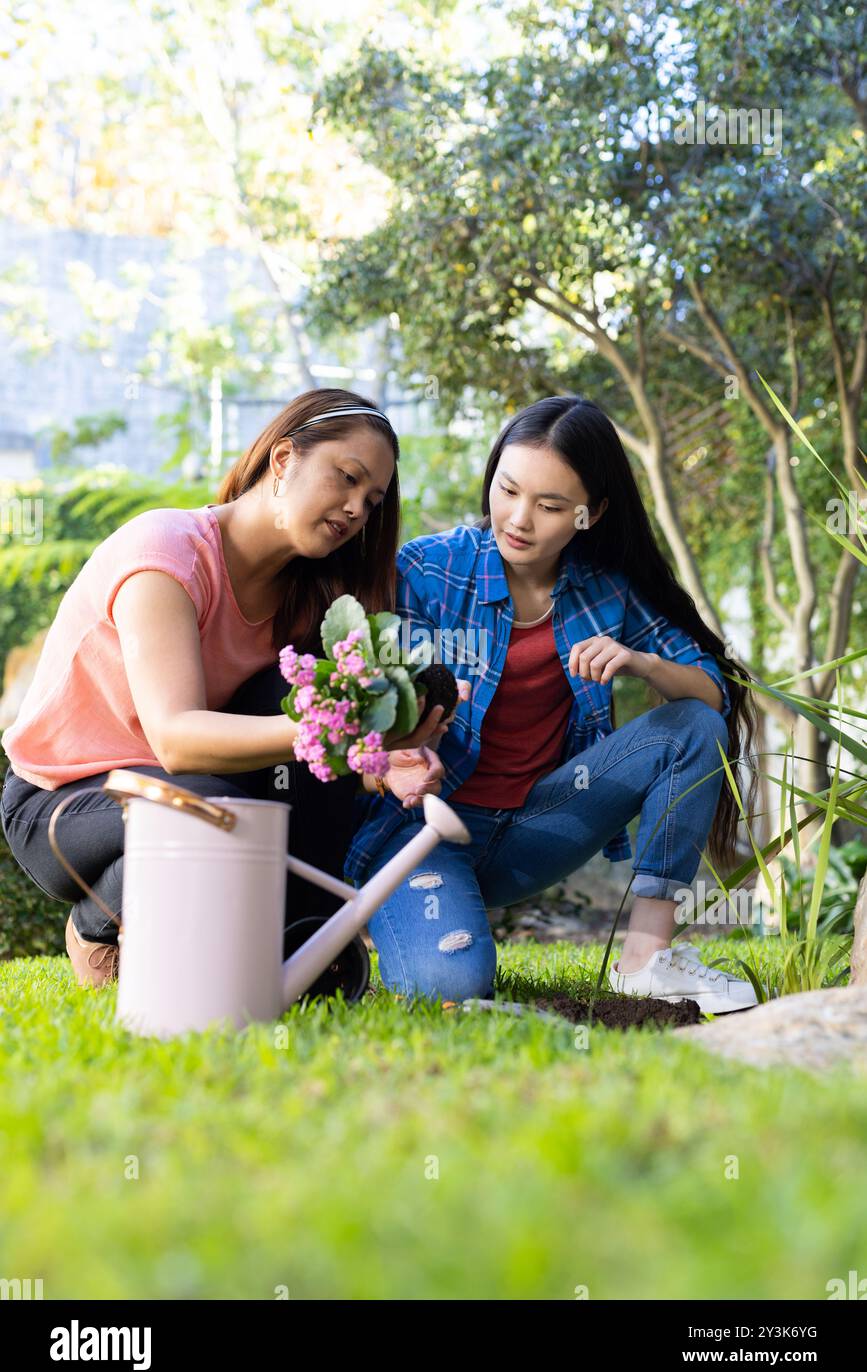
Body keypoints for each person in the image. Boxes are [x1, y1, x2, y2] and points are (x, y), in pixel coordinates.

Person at [0, 388, 455, 988]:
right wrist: (331, 732)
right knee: (222, 808)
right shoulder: (165, 552)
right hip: (68, 802)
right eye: (346, 478)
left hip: (201, 792)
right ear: (284, 458)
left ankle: (302, 932)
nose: (355, 510)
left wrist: (378, 758)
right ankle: (100, 924)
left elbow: (282, 742)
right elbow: (177, 740)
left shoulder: (308, 599)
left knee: (295, 703)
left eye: (370, 501)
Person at [346, 395, 761, 1013]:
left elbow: (713, 693)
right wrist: (410, 736)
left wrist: (641, 662)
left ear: (589, 515)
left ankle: (645, 962)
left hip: (538, 828)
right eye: (508, 490)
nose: (519, 519)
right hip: (424, 830)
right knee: (451, 989)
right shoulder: (427, 571)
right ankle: (406, 921)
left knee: (694, 724)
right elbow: (366, 703)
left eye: (550, 506)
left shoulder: (605, 588)